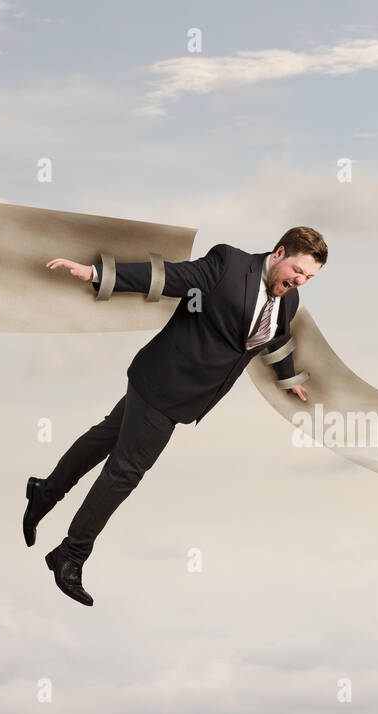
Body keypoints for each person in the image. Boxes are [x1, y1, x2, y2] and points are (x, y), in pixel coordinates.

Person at [25, 227, 326, 605]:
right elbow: (169, 277)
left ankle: (45, 492)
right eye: (297, 271)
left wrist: (288, 378)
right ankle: (70, 554)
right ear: (280, 252)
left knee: (106, 436)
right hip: (163, 387)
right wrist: (98, 274)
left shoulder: (288, 299)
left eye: (309, 278)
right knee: (126, 471)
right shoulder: (229, 264)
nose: (299, 281)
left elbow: (276, 337)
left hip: (176, 391)